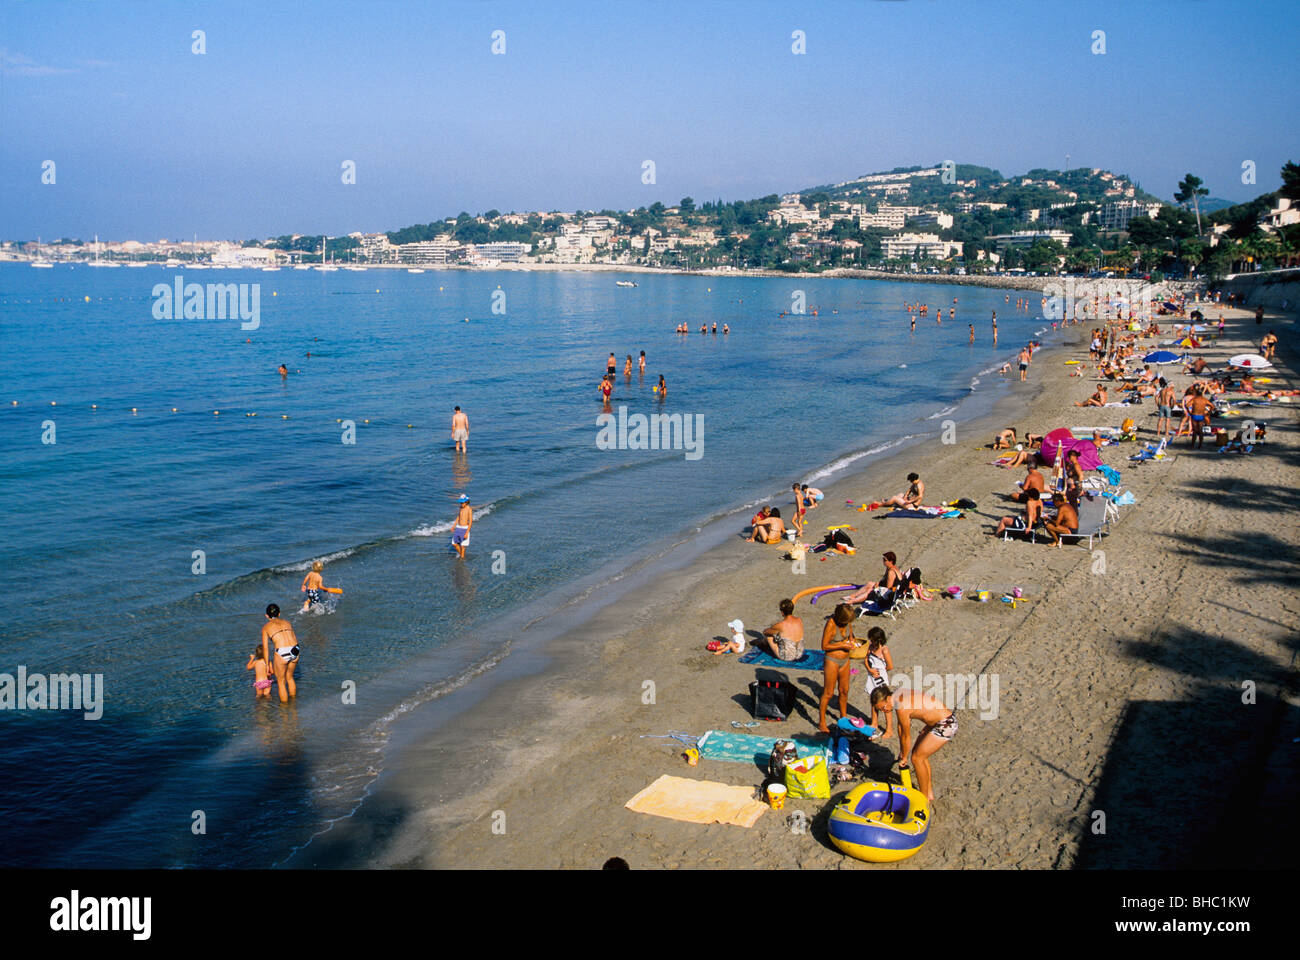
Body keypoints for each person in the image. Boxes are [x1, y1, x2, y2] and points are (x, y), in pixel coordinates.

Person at [870, 684, 955, 803]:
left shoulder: (902, 707)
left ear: (888, 698)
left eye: (883, 707)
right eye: (880, 710)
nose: (884, 711)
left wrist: (904, 756)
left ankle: (924, 798)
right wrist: (902, 752)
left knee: (916, 758)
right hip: (936, 723)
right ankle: (929, 793)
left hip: (945, 724)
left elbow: (906, 735)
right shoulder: (898, 694)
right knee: (919, 755)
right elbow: (900, 728)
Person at [818, 604, 858, 733]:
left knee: (844, 690)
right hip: (832, 661)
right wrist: (841, 644)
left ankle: (843, 717)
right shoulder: (831, 624)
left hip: (845, 660)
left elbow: (850, 636)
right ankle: (822, 722)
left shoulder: (848, 623)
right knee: (828, 693)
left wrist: (852, 642)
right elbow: (824, 646)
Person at [261, 604, 300, 704]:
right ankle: (294, 703)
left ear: (266, 616)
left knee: (281, 682)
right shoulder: (287, 622)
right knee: (290, 678)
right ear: (279, 613)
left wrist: (266, 665)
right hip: (295, 649)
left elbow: (265, 649)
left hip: (282, 651)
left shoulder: (266, 627)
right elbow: (294, 637)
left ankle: (285, 709)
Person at [863, 628, 892, 731]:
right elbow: (866, 660)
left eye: (872, 639)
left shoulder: (884, 650)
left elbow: (890, 666)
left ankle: (889, 729)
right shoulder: (870, 647)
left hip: (881, 678)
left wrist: (880, 672)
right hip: (871, 676)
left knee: (884, 701)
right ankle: (874, 723)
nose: (870, 641)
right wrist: (870, 670)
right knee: (873, 700)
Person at [451, 493, 473, 559]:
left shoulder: (469, 509)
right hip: (458, 527)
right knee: (454, 544)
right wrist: (454, 525)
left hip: (465, 528)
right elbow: (459, 516)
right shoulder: (460, 507)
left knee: (463, 546)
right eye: (460, 502)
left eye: (462, 503)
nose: (461, 504)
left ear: (466, 502)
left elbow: (471, 521)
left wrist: (467, 532)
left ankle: (461, 560)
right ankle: (461, 555)